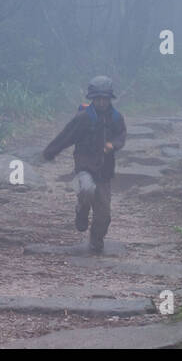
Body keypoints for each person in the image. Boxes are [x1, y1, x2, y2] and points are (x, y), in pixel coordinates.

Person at [42, 76, 126, 254]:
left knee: (104, 215)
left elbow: (121, 135)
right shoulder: (83, 118)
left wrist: (113, 144)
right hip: (85, 165)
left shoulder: (116, 118)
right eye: (98, 98)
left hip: (105, 170)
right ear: (92, 99)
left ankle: (96, 242)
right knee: (86, 189)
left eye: (105, 98)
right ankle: (81, 211)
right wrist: (50, 152)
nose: (102, 102)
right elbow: (66, 136)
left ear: (110, 99)